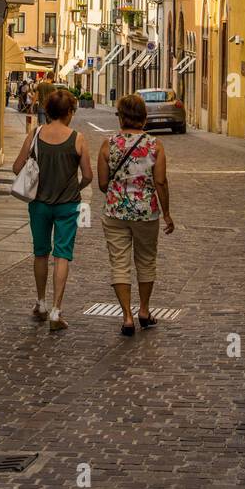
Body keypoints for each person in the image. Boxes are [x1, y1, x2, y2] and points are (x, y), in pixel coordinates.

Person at [12, 87, 92, 333]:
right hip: (67, 204)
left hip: (39, 205)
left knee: (40, 253)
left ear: (47, 111)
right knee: (62, 255)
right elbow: (88, 175)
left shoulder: (35, 134)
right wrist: (74, 186)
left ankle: (41, 303)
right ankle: (57, 310)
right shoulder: (77, 138)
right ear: (69, 112)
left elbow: (17, 167)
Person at [98, 93, 174, 337]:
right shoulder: (155, 145)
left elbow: (101, 183)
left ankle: (127, 317)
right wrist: (167, 214)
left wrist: (119, 188)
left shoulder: (108, 144)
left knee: (119, 263)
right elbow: (160, 182)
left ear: (121, 117)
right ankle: (143, 310)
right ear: (143, 117)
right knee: (146, 260)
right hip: (146, 213)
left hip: (115, 211)